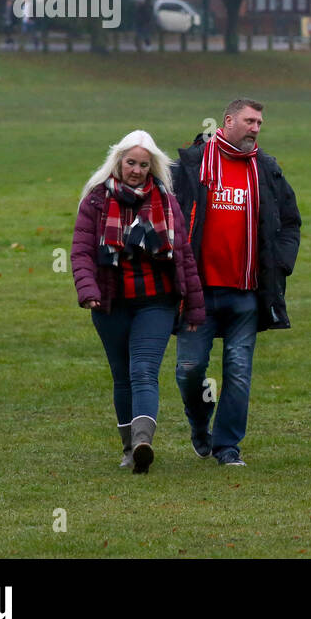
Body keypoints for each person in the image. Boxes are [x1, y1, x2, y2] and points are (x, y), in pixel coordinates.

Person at [171, 98, 302, 466]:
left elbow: (291, 222)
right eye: (249, 120)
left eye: (260, 122)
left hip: (246, 293)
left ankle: (227, 447)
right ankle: (199, 425)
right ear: (227, 121)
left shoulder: (266, 169)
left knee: (239, 372)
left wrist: (280, 265)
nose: (256, 128)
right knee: (189, 370)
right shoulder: (192, 165)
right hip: (197, 293)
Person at [71, 130, 204, 473]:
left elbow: (185, 256)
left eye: (144, 165)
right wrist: (88, 292)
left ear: (152, 167)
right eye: (131, 162)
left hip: (156, 303)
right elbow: (82, 251)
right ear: (118, 161)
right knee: (121, 376)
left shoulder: (166, 201)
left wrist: (194, 306)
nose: (136, 170)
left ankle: (144, 441)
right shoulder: (96, 200)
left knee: (143, 371)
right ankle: (130, 449)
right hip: (109, 304)